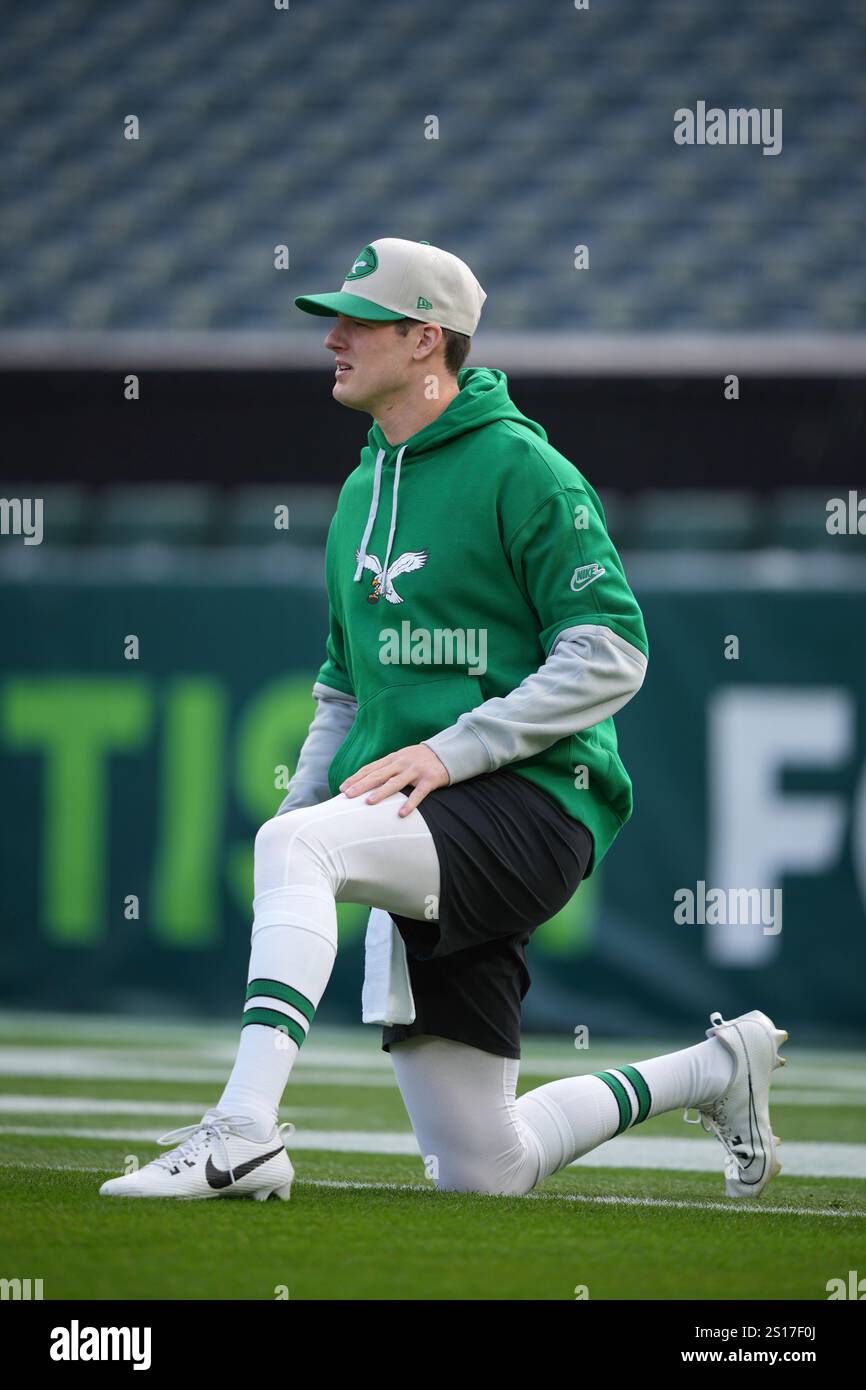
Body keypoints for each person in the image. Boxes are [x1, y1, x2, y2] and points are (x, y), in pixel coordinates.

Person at [99, 238, 787, 1202]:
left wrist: (448, 753)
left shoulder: (524, 468)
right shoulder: (356, 489)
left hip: (533, 806)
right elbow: (345, 688)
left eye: (357, 320)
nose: (333, 336)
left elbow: (611, 651)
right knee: (483, 1167)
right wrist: (299, 812)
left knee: (301, 849)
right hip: (426, 818)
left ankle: (243, 1132)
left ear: (426, 339)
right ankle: (719, 1069)